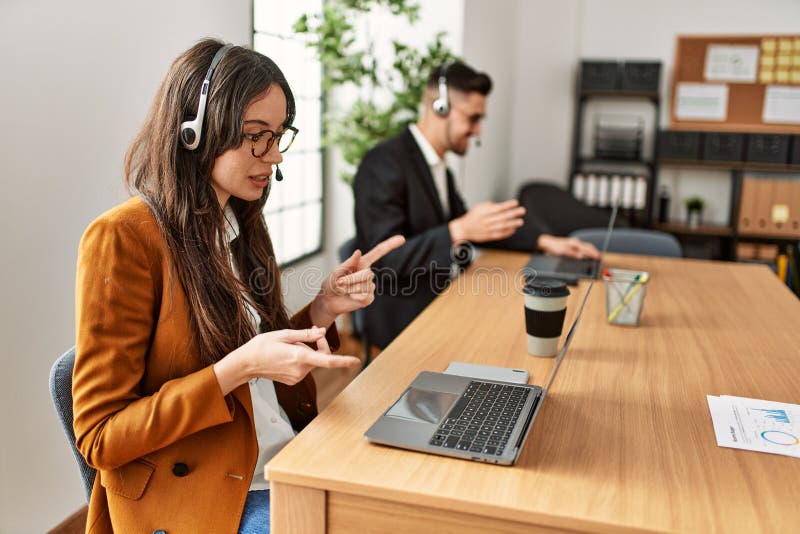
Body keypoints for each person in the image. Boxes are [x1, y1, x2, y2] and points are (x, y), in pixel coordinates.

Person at [72, 39, 404, 533]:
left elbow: (260, 368)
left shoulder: (240, 222)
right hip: (206, 497)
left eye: (279, 135)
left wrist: (321, 311)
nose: (274, 156)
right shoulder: (123, 238)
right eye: (256, 136)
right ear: (194, 131)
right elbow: (101, 436)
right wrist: (233, 370)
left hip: (278, 458)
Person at [353, 62, 599, 349]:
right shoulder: (382, 163)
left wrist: (546, 241)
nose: (478, 131)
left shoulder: (436, 167)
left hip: (444, 298)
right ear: (439, 108)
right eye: (473, 118)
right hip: (405, 317)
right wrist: (457, 230)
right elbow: (383, 261)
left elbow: (477, 226)